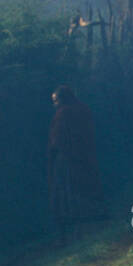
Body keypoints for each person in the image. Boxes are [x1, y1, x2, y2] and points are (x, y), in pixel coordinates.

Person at [46, 84, 104, 244]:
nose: (55, 104)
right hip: (84, 157)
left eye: (56, 100)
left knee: (68, 194)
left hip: (67, 160)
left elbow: (58, 139)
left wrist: (56, 153)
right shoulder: (83, 110)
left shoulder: (64, 114)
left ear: (63, 99)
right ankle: (80, 229)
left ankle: (72, 232)